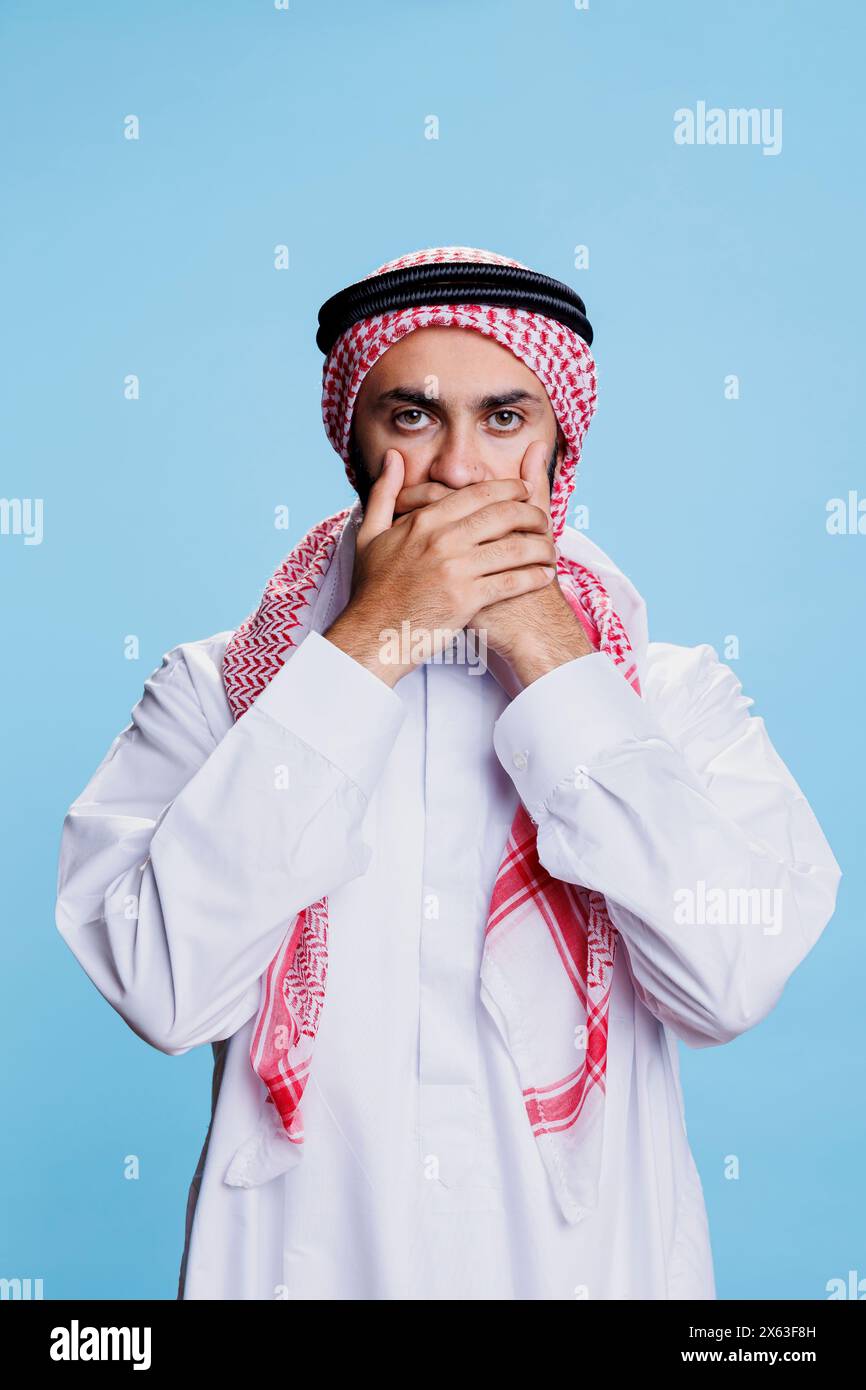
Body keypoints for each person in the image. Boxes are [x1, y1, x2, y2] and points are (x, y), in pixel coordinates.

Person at [55, 245, 841, 1300]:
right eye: (413, 416)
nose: (462, 467)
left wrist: (553, 662)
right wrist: (371, 645)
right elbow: (163, 988)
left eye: (504, 418)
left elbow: (727, 979)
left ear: (561, 444)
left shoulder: (670, 697)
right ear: (353, 441)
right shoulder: (216, 692)